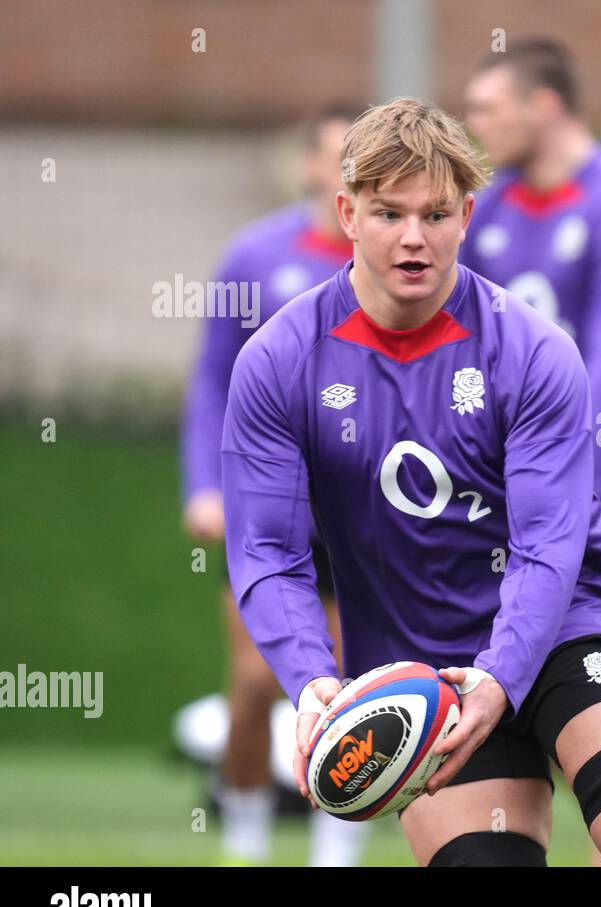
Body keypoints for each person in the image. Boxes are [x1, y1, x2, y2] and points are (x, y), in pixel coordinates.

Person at [222, 97, 601, 867]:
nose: (414, 237)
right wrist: (313, 683)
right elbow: (268, 549)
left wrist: (501, 677)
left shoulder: (533, 351)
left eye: (436, 214)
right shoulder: (279, 360)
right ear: (346, 211)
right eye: (388, 212)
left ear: (468, 215)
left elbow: (548, 542)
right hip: (419, 659)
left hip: (563, 624)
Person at [461, 38, 601, 679]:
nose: (476, 126)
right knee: (512, 669)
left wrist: (542, 451)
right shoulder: (486, 211)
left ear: (545, 105)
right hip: (511, 474)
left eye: (488, 108)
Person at [181, 104, 367, 867]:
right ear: (311, 166)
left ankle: (335, 855)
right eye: (338, 157)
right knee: (258, 680)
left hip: (359, 511)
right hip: (266, 503)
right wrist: (204, 484)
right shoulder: (256, 255)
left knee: (350, 688)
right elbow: (211, 381)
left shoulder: (396, 260)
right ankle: (247, 845)